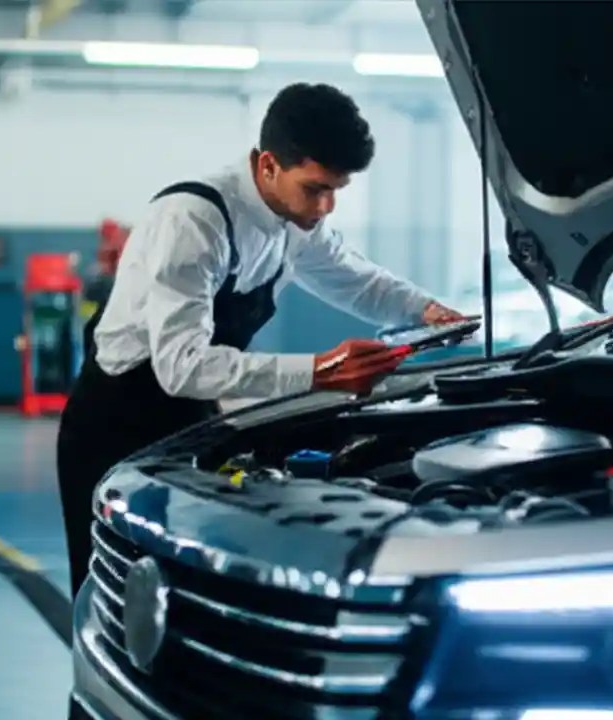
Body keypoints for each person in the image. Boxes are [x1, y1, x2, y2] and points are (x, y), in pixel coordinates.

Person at [55, 82, 463, 597]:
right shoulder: (193, 220)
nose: (327, 206)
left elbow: (353, 277)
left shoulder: (295, 221)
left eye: (337, 190)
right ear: (268, 165)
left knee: (187, 588)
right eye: (316, 188)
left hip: (192, 418)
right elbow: (180, 366)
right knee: (112, 593)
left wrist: (425, 310)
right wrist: (321, 371)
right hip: (114, 426)